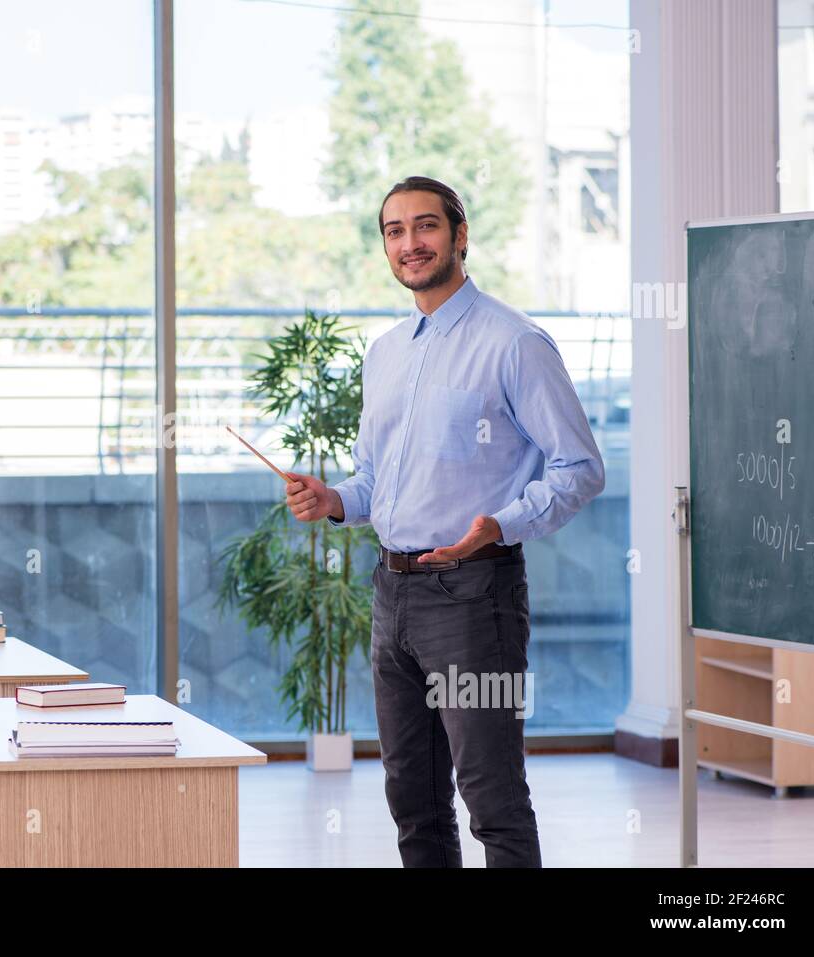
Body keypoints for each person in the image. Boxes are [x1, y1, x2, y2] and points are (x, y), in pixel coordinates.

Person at [283, 175, 604, 867]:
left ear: (460, 235)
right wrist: (332, 498)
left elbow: (580, 466)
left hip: (473, 596)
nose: (410, 243)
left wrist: (503, 523)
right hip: (392, 593)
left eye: (425, 226)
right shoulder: (387, 352)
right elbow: (374, 480)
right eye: (394, 231)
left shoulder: (514, 343)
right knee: (414, 801)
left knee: (492, 798)